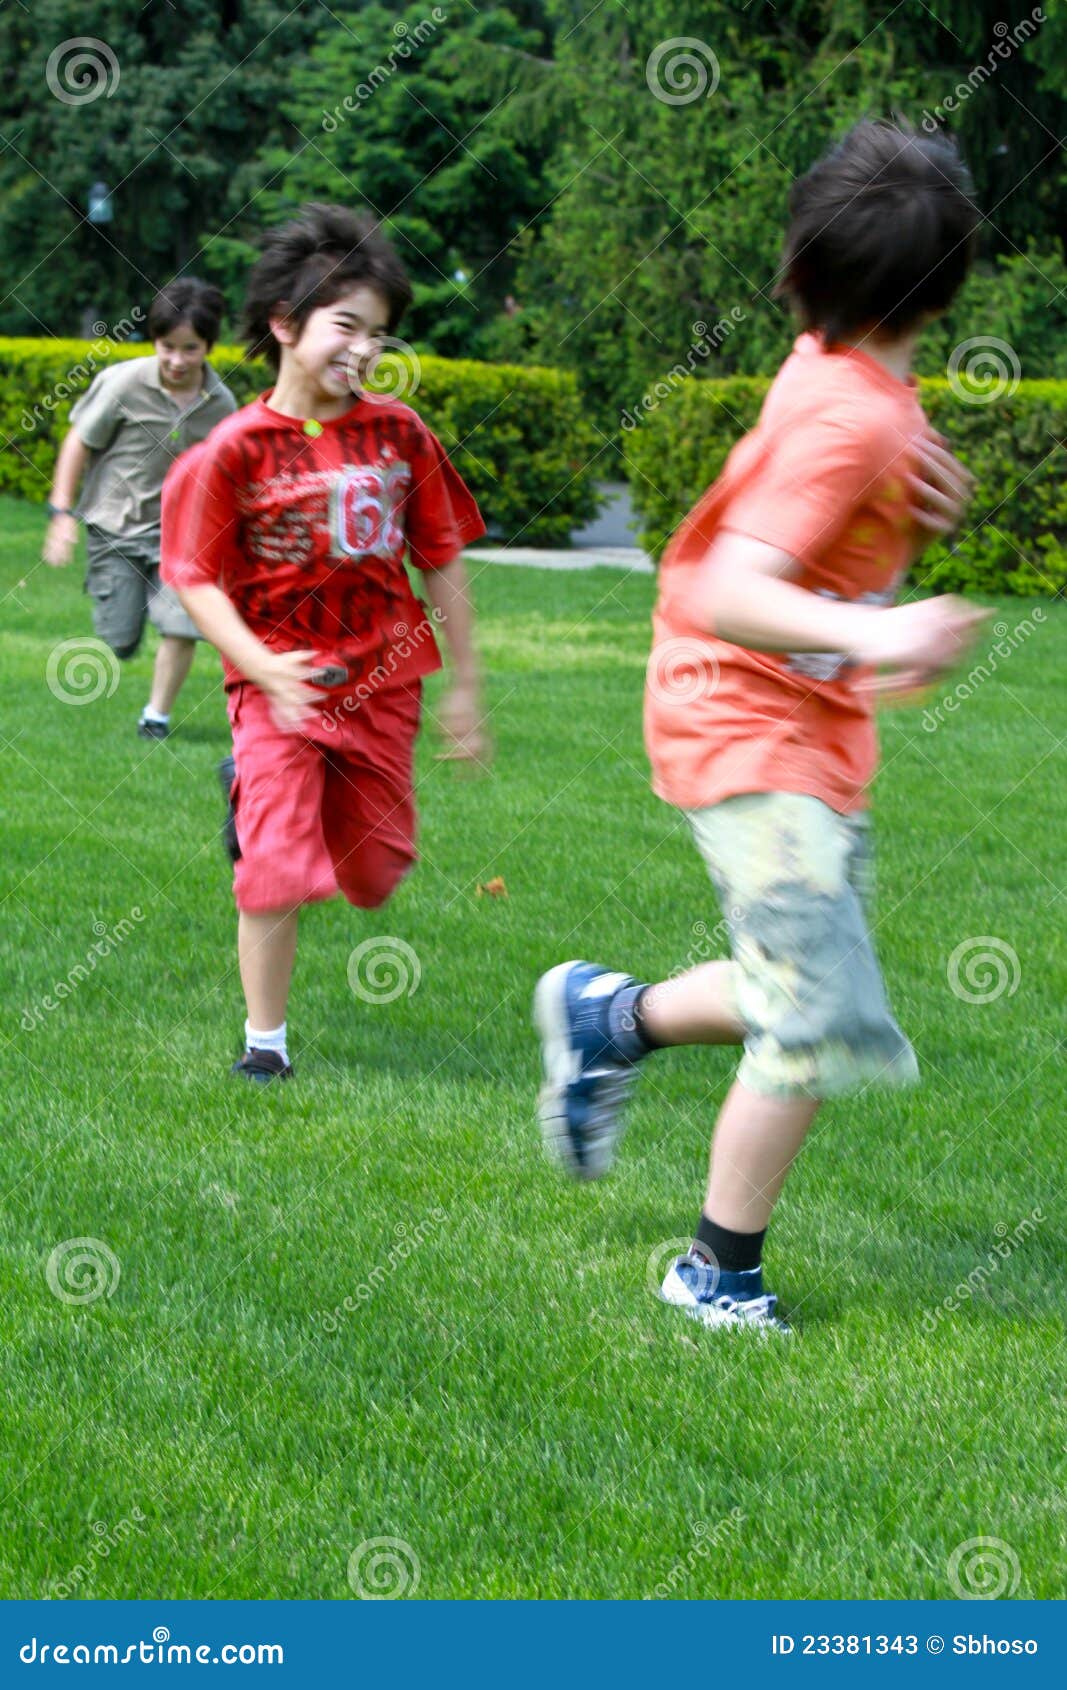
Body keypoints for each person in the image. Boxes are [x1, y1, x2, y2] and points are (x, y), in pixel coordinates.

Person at [534, 119, 988, 1334]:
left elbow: (818, 536)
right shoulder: (856, 411)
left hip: (785, 724)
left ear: (803, 266)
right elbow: (723, 588)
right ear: (943, 288)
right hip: (745, 721)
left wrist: (907, 522)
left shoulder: (839, 373)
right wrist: (892, 634)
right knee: (813, 1011)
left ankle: (605, 1019)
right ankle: (712, 1271)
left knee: (799, 980)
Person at [160, 203, 487, 1081]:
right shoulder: (233, 450)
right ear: (284, 324)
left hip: (383, 678)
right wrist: (260, 665)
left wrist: (464, 686)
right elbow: (193, 576)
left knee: (374, 875)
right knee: (275, 868)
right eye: (347, 325)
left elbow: (442, 554)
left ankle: (253, 801)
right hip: (277, 684)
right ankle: (265, 1045)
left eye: (378, 334)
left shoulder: (398, 433)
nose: (366, 350)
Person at [43, 279, 236, 738]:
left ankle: (156, 717)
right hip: (116, 528)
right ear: (154, 340)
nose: (176, 360)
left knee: (181, 625)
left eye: (189, 349)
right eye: (166, 347)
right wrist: (60, 515)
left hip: (183, 536)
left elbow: (233, 474)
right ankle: (130, 610)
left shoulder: (221, 405)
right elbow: (78, 443)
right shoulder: (122, 384)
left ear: (209, 346)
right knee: (120, 639)